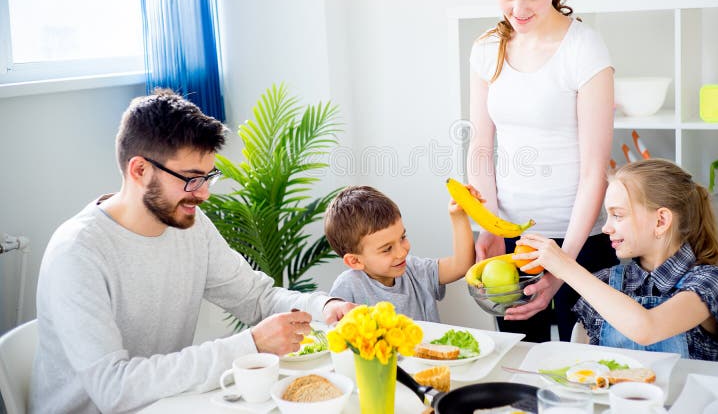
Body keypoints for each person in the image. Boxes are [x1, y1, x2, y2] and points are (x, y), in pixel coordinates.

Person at [29, 89, 356, 413]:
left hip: (165, 405)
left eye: (207, 178)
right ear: (140, 170)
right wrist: (250, 345)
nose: (203, 195)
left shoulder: (190, 225)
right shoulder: (77, 254)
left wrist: (324, 306)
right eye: (190, 179)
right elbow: (114, 389)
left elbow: (258, 299)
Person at [468, 0, 617, 342]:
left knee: (584, 372)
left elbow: (594, 170)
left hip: (581, 240)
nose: (518, 9)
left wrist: (562, 267)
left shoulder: (584, 49)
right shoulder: (486, 50)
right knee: (519, 363)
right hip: (513, 240)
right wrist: (491, 226)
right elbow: (481, 145)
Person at [516, 159, 718, 361]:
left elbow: (647, 328)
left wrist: (565, 266)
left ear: (661, 221)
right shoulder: (606, 281)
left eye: (618, 215)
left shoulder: (710, 281)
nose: (606, 228)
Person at [325, 185, 477, 322]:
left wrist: (458, 216)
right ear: (355, 261)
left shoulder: (415, 269)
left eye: (402, 237)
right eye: (387, 249)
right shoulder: (348, 287)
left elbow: (461, 266)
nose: (402, 252)